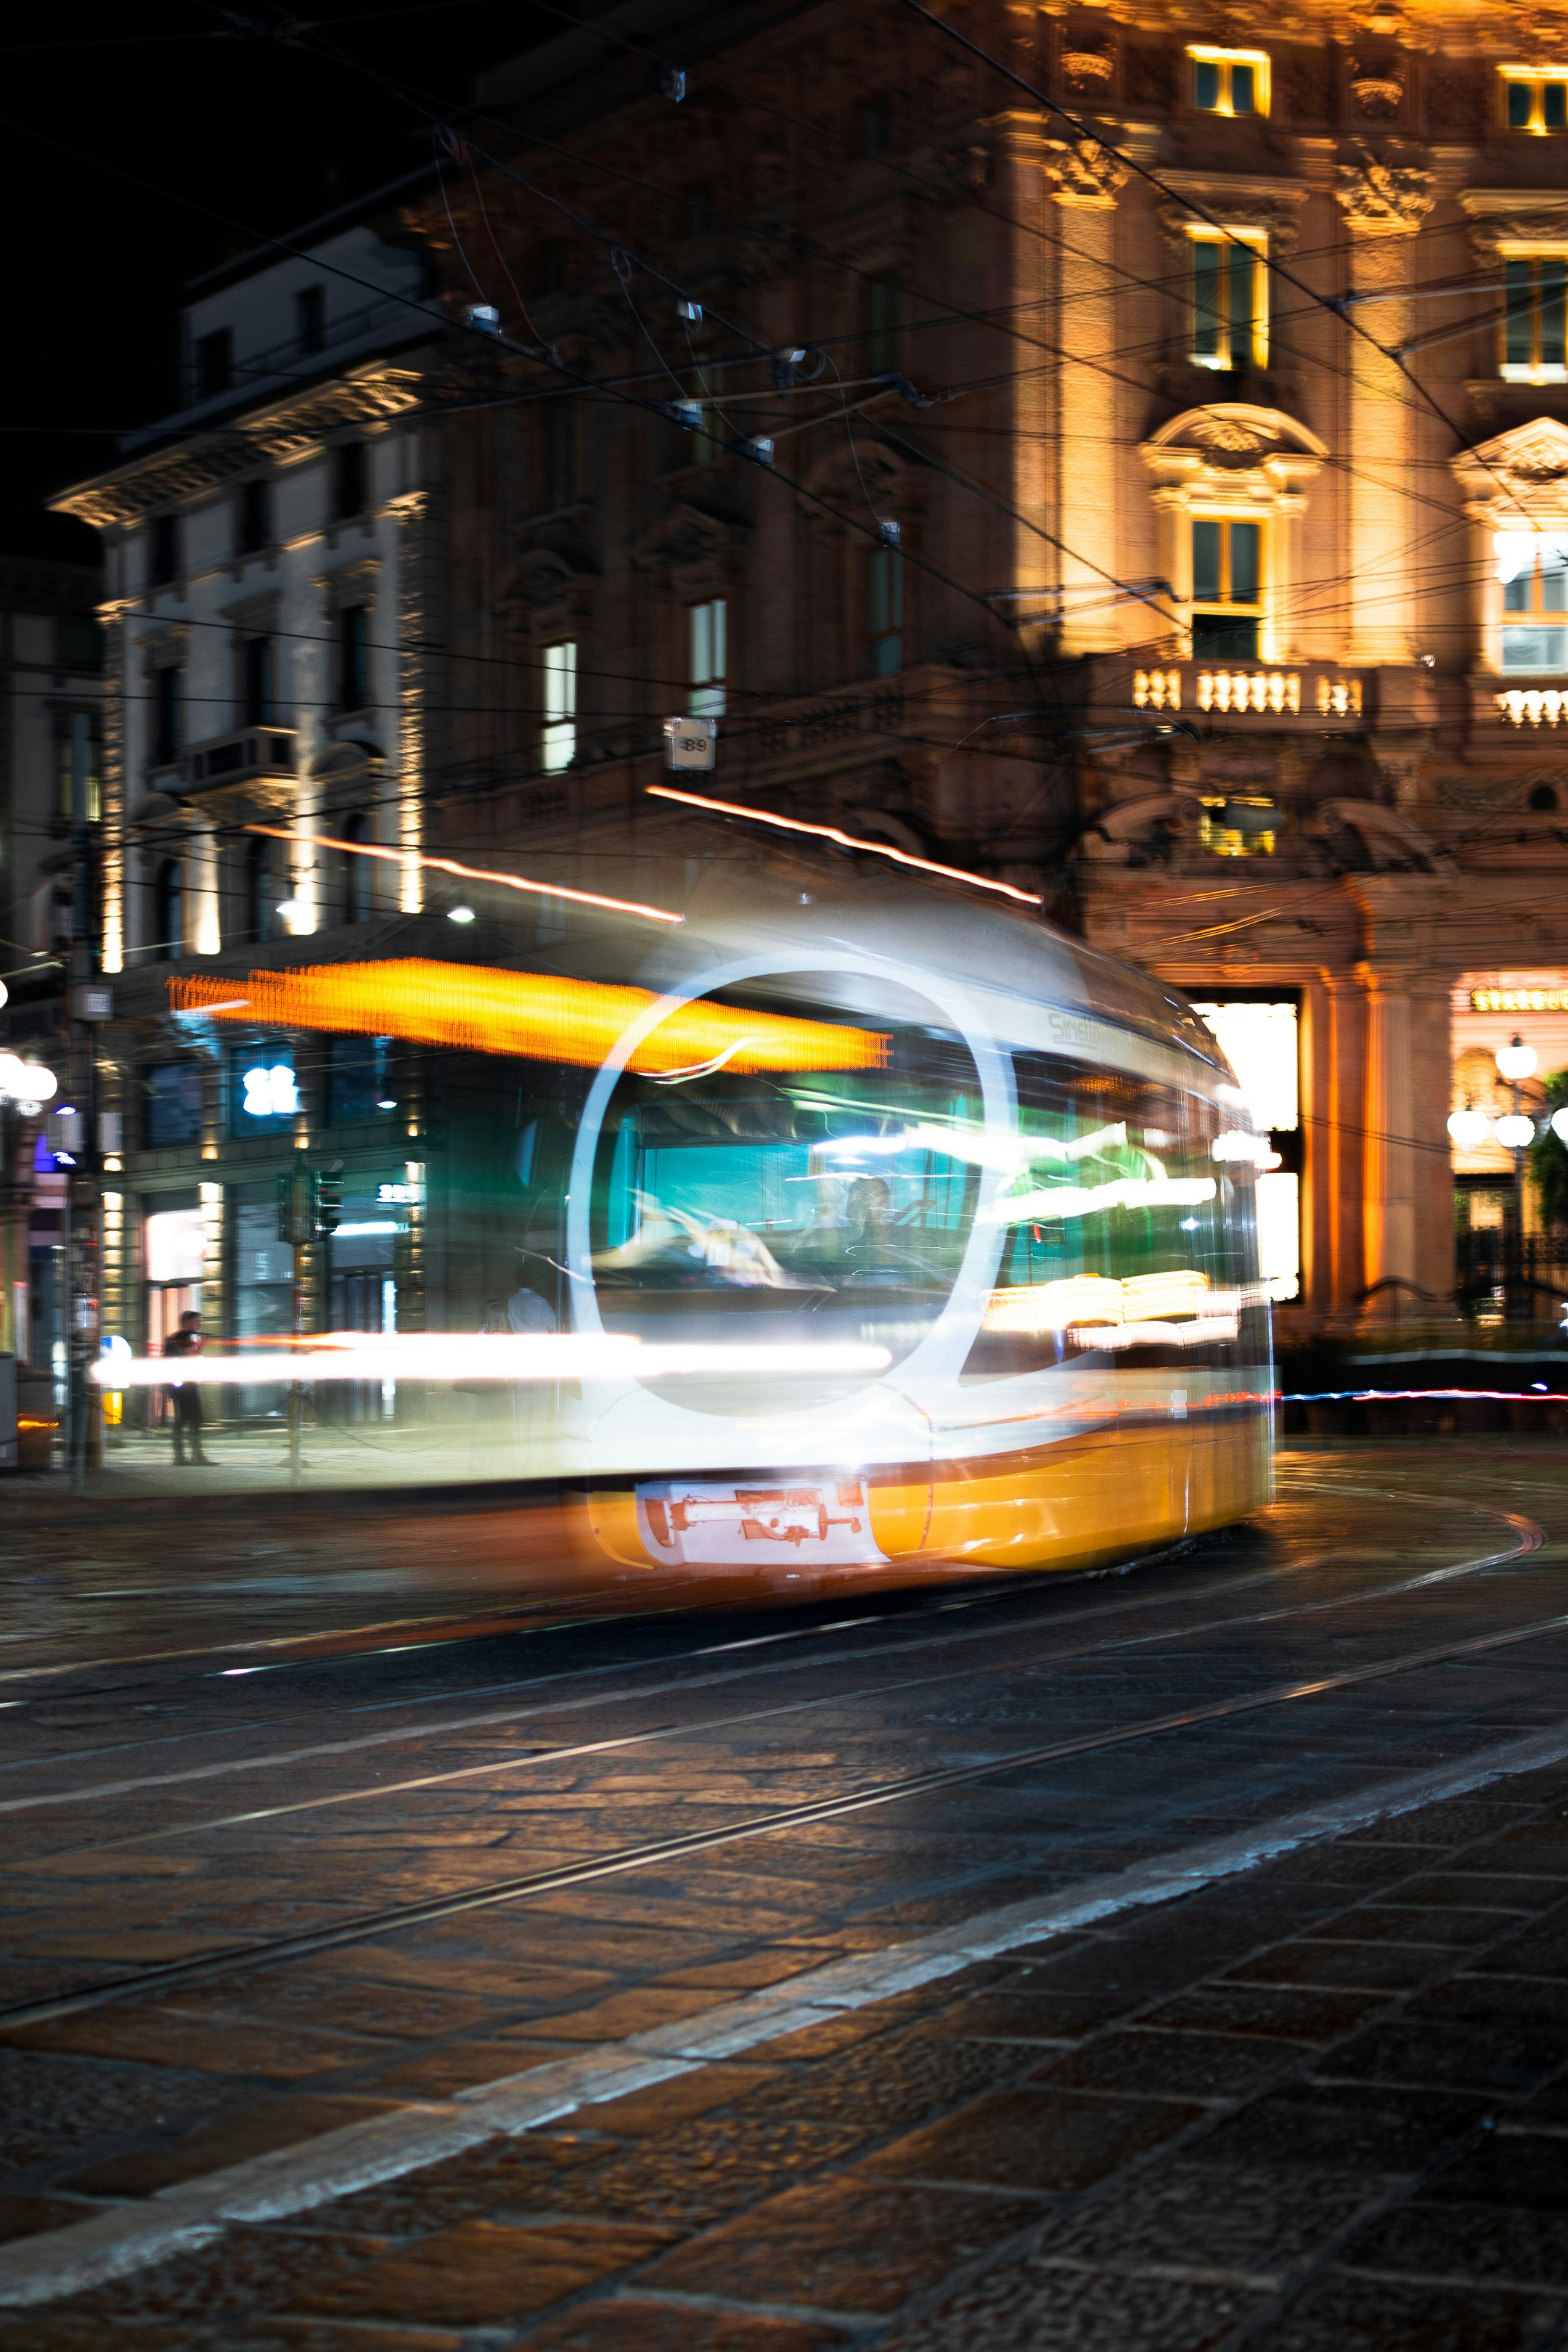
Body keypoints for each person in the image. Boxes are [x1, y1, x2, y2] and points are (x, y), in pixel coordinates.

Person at [163, 1310, 209, 1466]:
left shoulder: (177, 1337)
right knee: (194, 1418)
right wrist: (203, 1343)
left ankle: (181, 1456)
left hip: (179, 1385)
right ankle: (194, 1456)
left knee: (182, 1420)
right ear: (187, 1322)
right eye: (196, 1322)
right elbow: (192, 1357)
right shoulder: (183, 1337)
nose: (199, 1325)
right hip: (185, 1386)